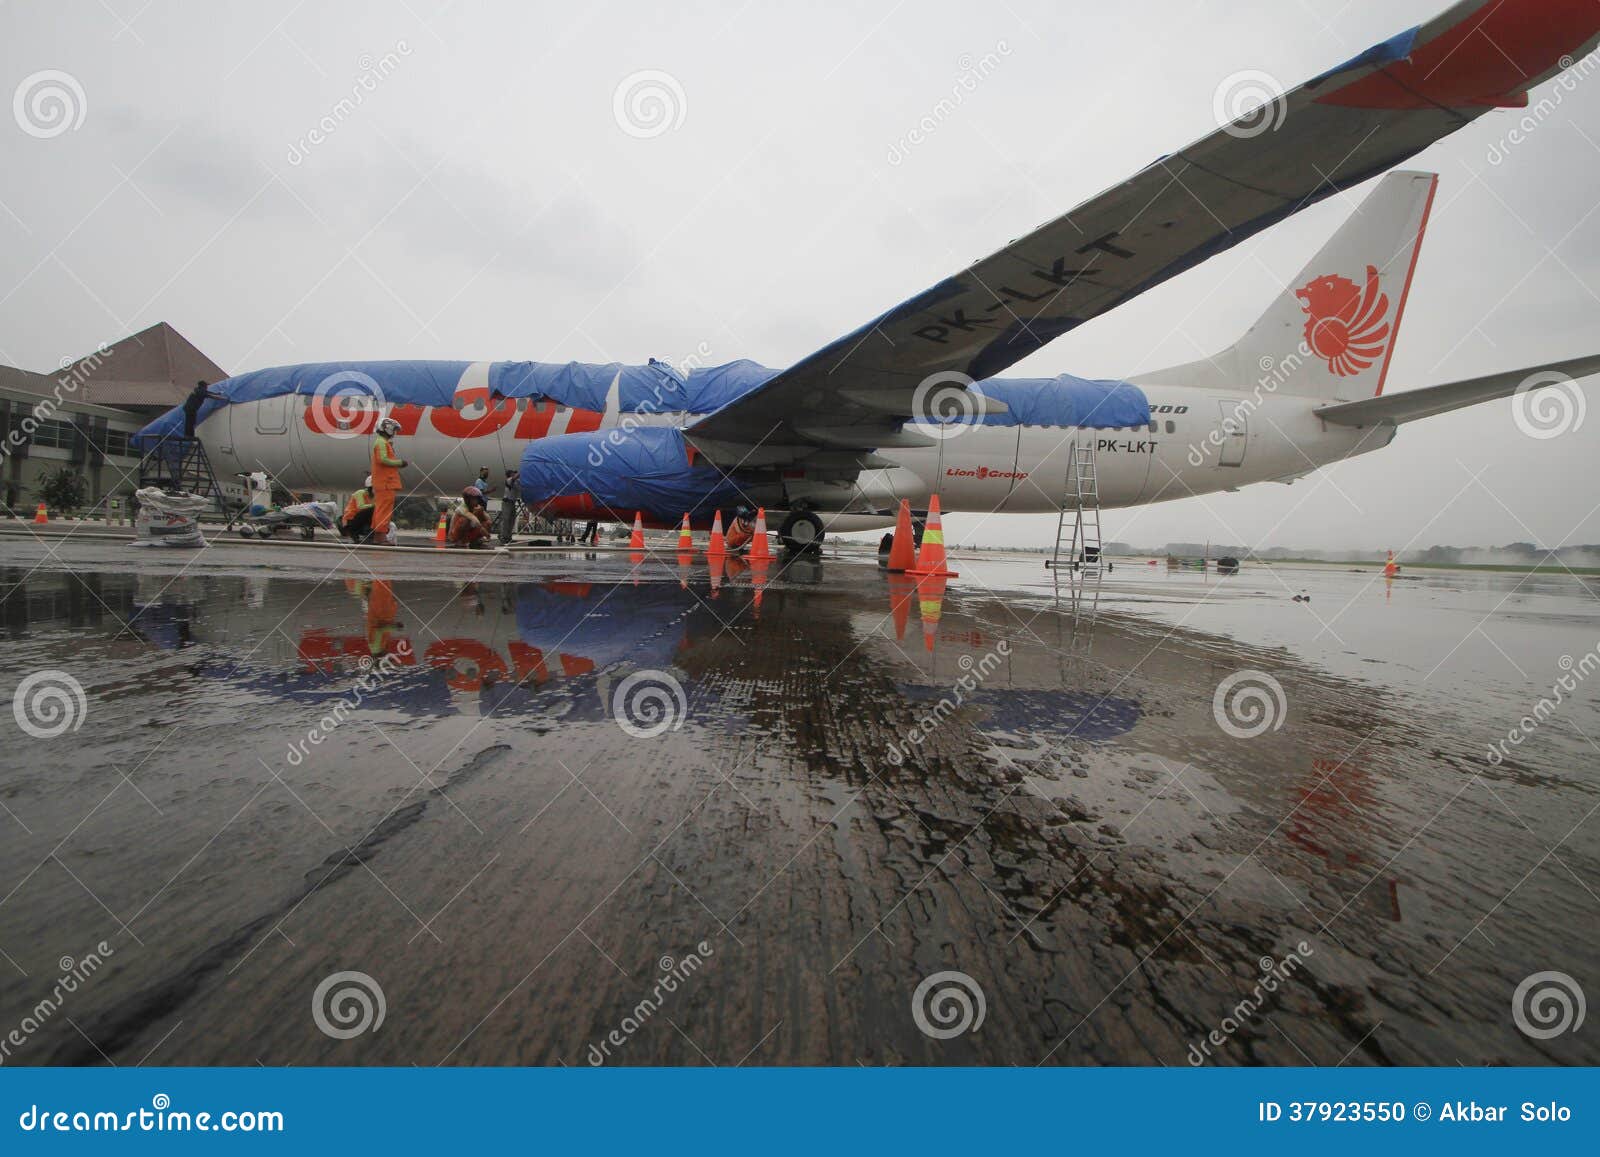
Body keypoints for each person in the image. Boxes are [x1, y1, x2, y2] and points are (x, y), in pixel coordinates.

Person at [369, 417, 406, 543]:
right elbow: (383, 459)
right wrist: (400, 463)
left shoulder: (381, 442)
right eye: (394, 430)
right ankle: (380, 536)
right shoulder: (381, 443)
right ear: (388, 429)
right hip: (386, 482)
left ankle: (378, 536)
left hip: (384, 482)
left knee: (380, 508)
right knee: (384, 510)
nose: (394, 433)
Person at [341, 476, 376, 542]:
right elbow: (360, 506)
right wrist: (374, 505)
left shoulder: (373, 497)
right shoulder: (360, 493)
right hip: (350, 521)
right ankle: (354, 533)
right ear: (370, 487)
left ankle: (370, 533)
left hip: (360, 521)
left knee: (377, 511)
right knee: (373, 509)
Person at [498, 468, 519, 545]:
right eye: (513, 473)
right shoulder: (509, 480)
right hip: (507, 502)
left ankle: (508, 537)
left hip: (512, 502)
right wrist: (522, 471)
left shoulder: (515, 482)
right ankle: (503, 537)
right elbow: (514, 478)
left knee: (511, 520)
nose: (514, 474)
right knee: (506, 520)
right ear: (510, 474)